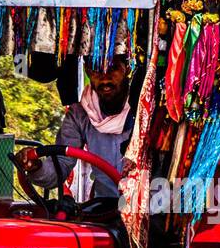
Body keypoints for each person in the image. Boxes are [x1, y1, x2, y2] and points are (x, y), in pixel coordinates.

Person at [17, 51, 133, 201]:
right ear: (87, 70)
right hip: (106, 210)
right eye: (96, 68)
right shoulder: (80, 114)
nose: (105, 78)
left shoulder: (144, 108)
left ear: (127, 69)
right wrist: (36, 167)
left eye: (113, 68)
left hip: (149, 208)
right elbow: (60, 166)